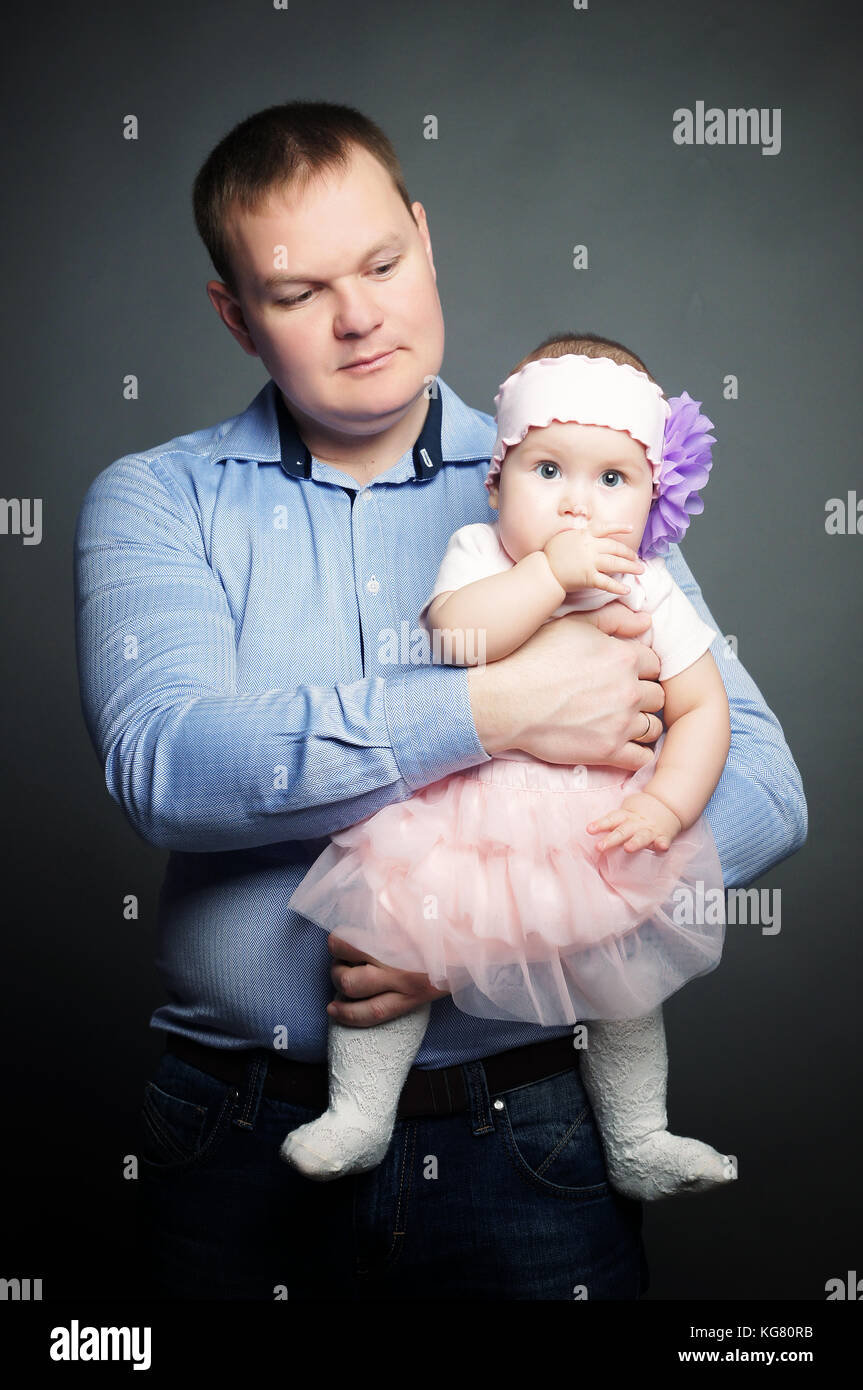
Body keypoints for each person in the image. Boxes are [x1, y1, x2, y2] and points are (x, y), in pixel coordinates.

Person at [73, 100, 807, 1301]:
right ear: (234, 315)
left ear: (425, 235)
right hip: (235, 1137)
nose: (359, 315)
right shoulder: (158, 501)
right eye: (299, 290)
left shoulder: (574, 468)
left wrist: (473, 943)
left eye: (381, 260)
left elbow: (764, 784)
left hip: (526, 1142)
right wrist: (493, 712)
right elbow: (168, 766)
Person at [284, 337, 738, 1202]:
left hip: (592, 828)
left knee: (622, 985)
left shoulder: (647, 587)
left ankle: (640, 1138)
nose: (577, 506)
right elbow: (459, 639)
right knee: (390, 937)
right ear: (495, 481)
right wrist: (545, 576)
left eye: (613, 480)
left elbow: (703, 709)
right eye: (547, 471)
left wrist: (669, 810)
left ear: (651, 502)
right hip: (464, 821)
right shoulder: (480, 556)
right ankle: (358, 1114)